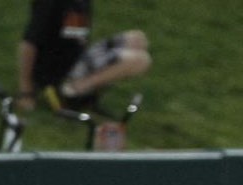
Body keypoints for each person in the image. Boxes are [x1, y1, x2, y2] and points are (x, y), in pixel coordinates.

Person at [17, 0, 152, 112]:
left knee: (138, 39)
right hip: (58, 74)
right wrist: (26, 92)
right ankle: (73, 90)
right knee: (140, 60)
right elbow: (29, 44)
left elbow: (76, 35)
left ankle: (87, 94)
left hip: (77, 59)